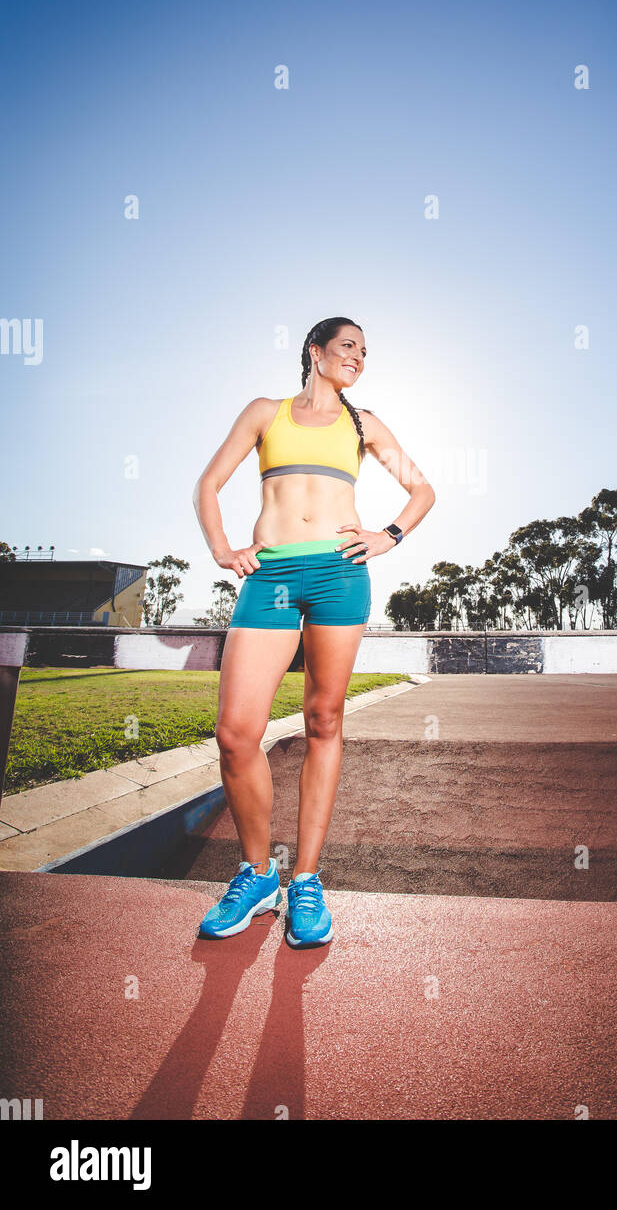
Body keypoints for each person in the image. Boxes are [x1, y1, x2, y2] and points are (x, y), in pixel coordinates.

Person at [192, 316, 435, 945]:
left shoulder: (365, 424)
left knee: (324, 721)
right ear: (314, 350)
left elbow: (422, 488)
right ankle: (256, 873)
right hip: (270, 576)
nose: (358, 357)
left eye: (365, 351)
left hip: (339, 575)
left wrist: (389, 535)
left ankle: (304, 879)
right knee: (237, 731)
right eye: (347, 346)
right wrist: (223, 548)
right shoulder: (265, 413)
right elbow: (209, 484)